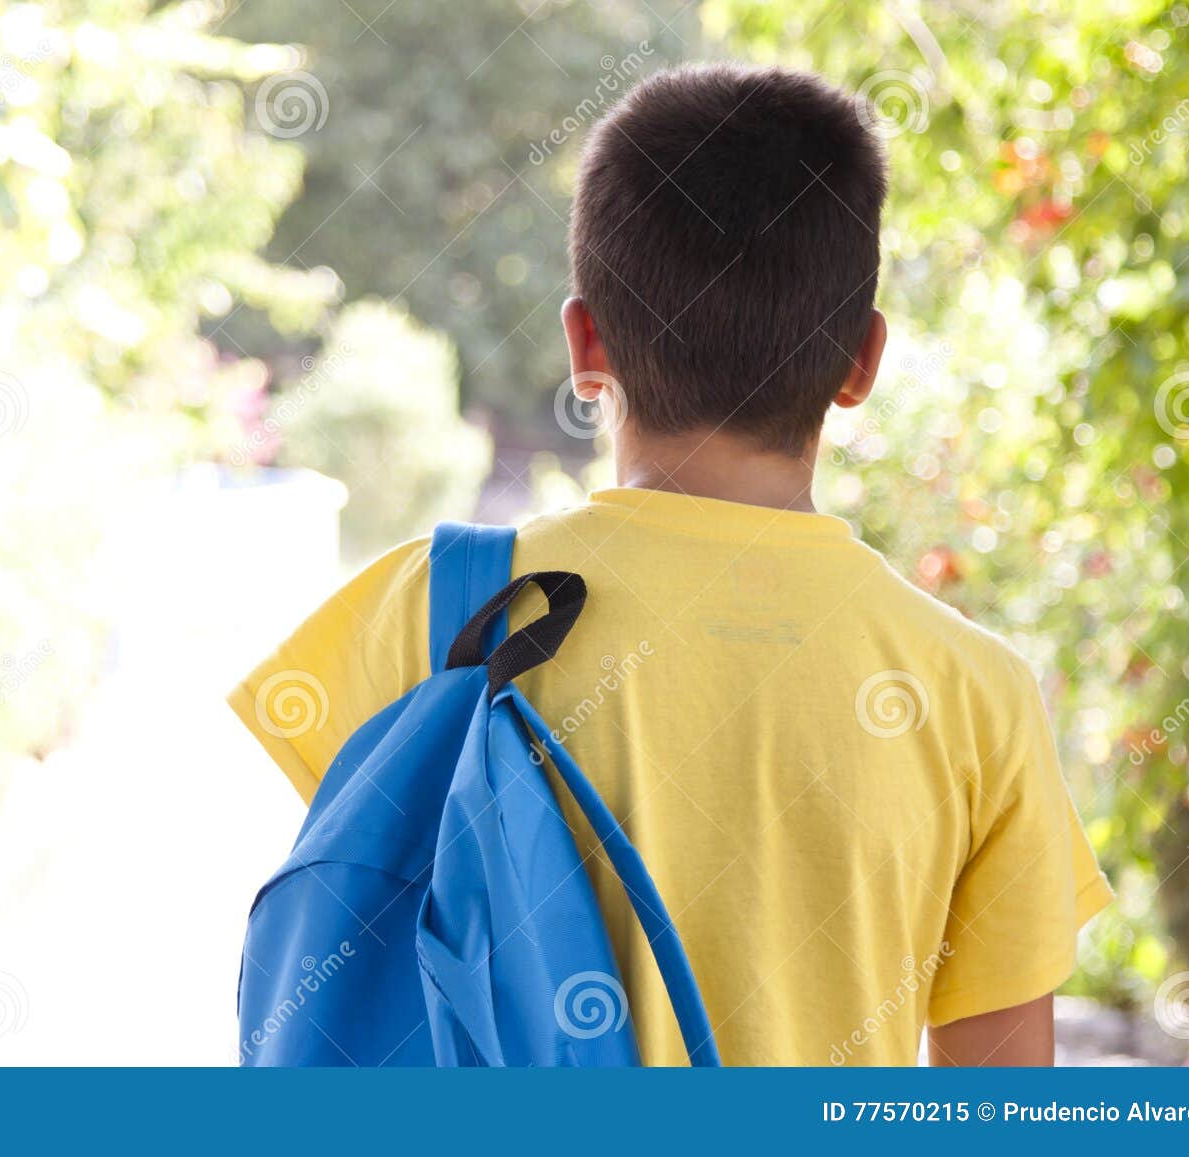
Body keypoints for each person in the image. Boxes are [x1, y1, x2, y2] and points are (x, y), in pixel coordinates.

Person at [229, 62, 1111, 1066]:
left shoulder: (434, 609)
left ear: (584, 341)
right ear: (862, 360)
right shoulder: (973, 693)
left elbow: (338, 938)